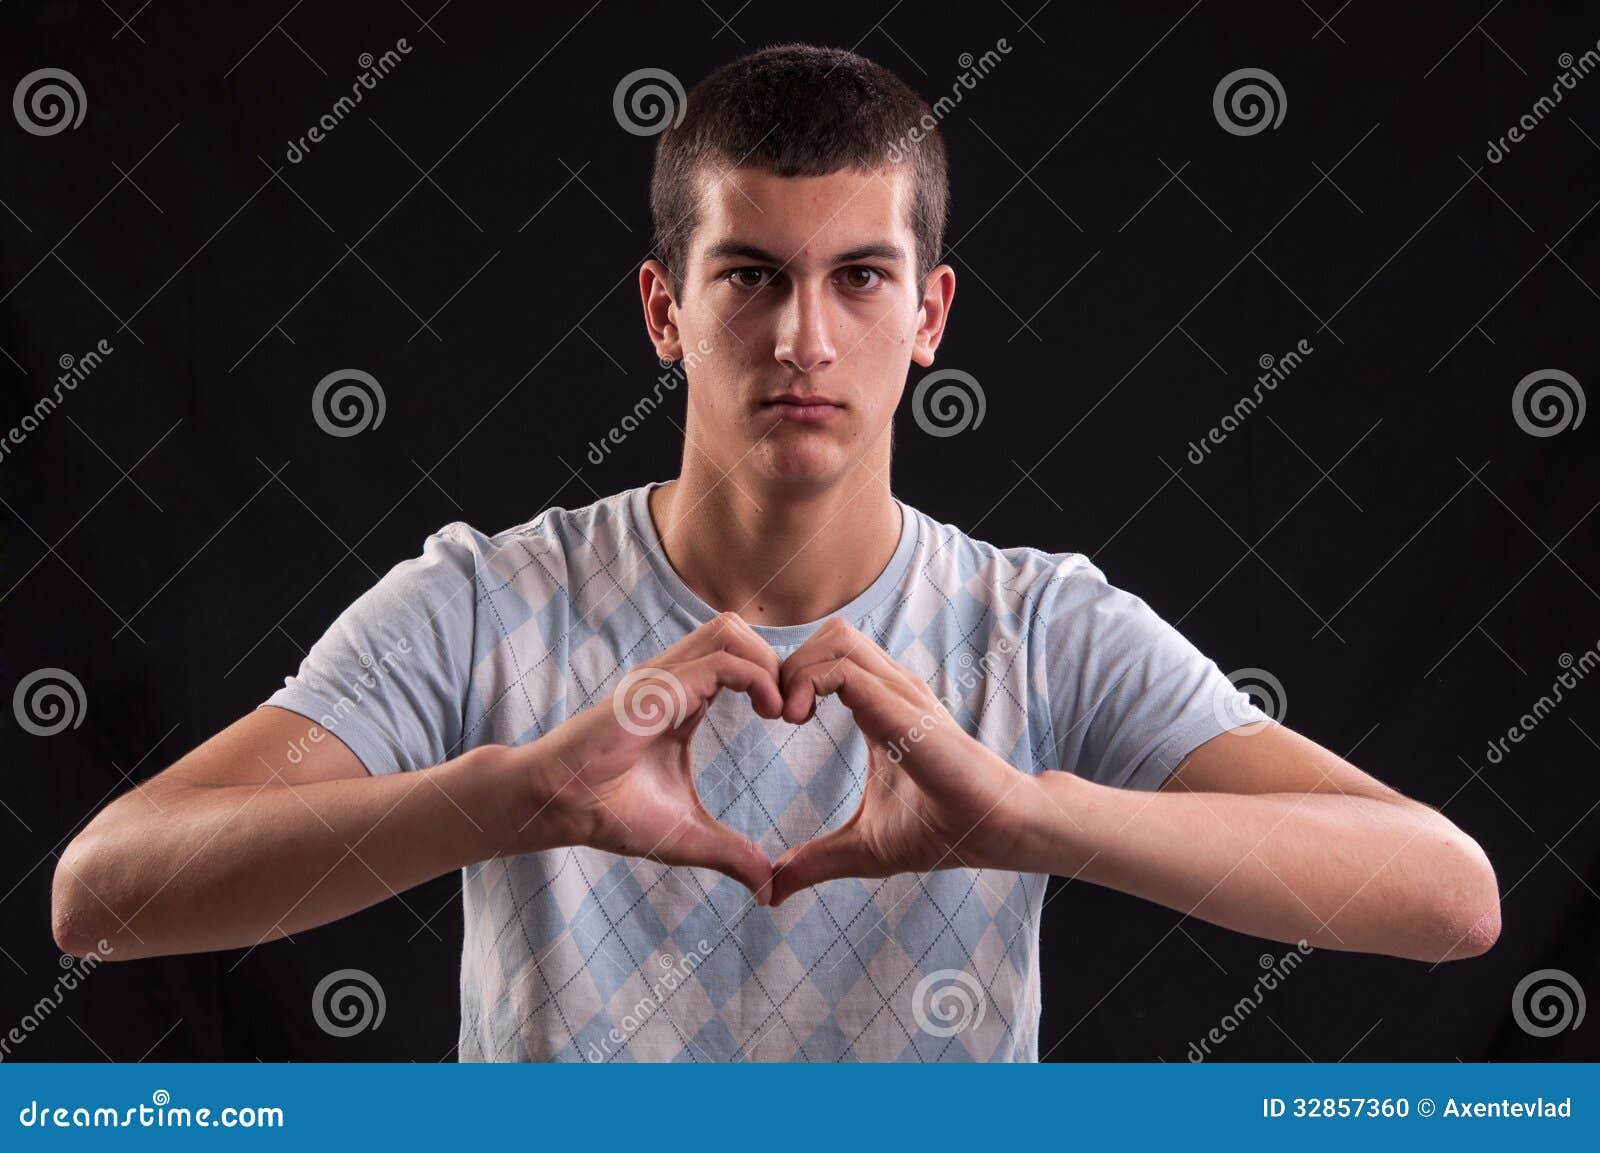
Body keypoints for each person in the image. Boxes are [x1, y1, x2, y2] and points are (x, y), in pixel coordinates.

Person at [51, 43, 1500, 1062]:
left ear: (929, 316)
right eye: (750, 275)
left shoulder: (1038, 626)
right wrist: (515, 795)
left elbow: (1448, 893)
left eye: (859, 277)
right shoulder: (486, 602)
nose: (805, 336)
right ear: (665, 310)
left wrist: (1035, 816)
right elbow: (101, 894)